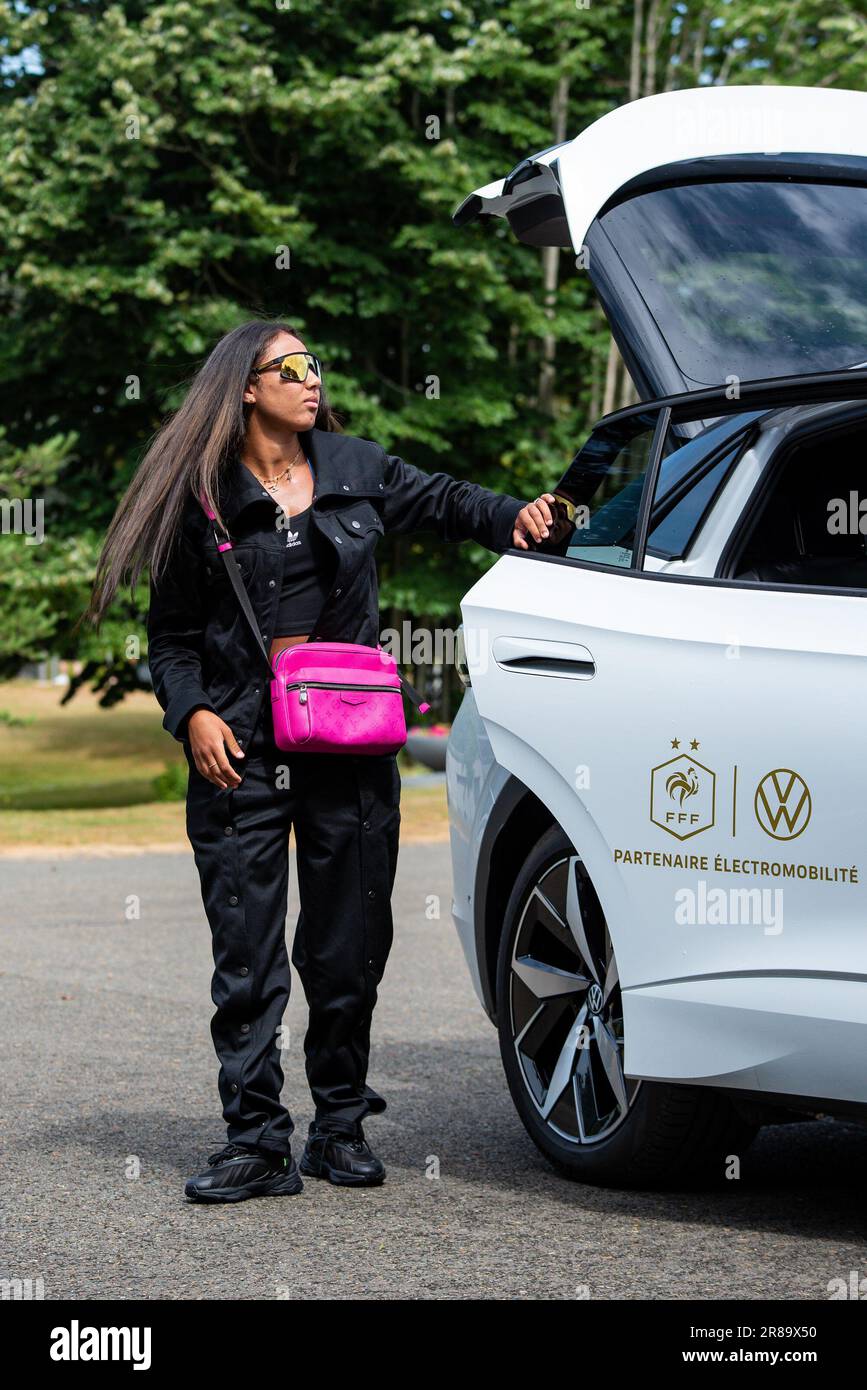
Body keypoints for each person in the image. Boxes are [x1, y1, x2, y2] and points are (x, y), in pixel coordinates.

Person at [85, 319, 557, 1203]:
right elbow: (174, 638)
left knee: (347, 945)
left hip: (346, 740)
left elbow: (453, 502)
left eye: (314, 366)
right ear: (246, 388)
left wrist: (516, 516)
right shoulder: (203, 499)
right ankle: (257, 1140)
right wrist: (188, 714)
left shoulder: (355, 467)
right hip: (241, 748)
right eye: (289, 367)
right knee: (247, 953)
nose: (311, 379)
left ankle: (337, 1128)